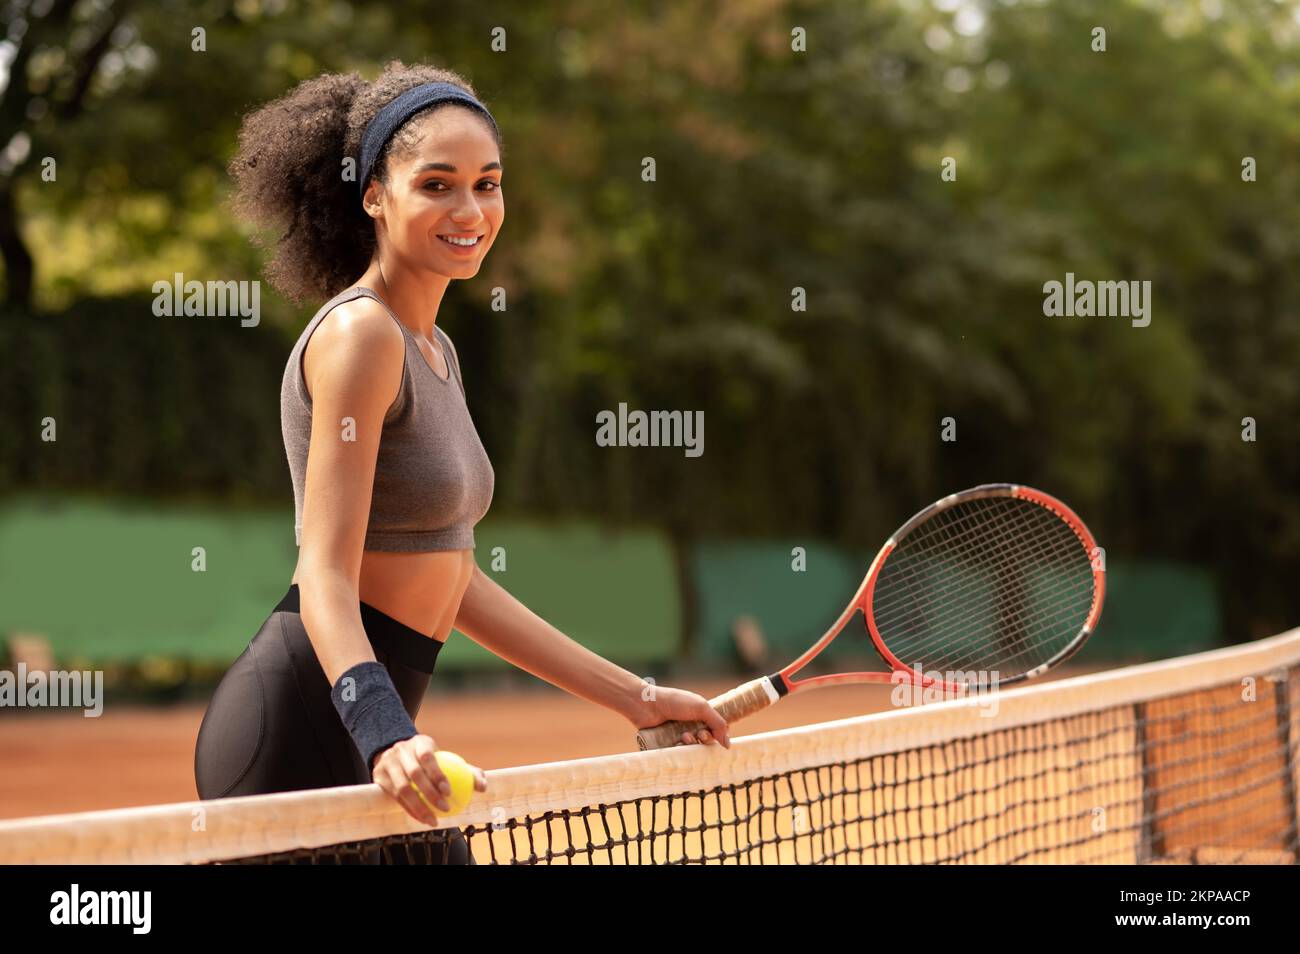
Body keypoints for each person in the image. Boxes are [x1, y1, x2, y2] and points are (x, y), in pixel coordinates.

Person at [193, 61, 729, 863]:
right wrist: (383, 733)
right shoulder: (360, 336)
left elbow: (454, 573)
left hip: (378, 745)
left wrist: (638, 697)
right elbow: (324, 576)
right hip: (302, 738)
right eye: (436, 184)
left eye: (488, 183)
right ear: (374, 195)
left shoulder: (433, 349)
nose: (470, 209)